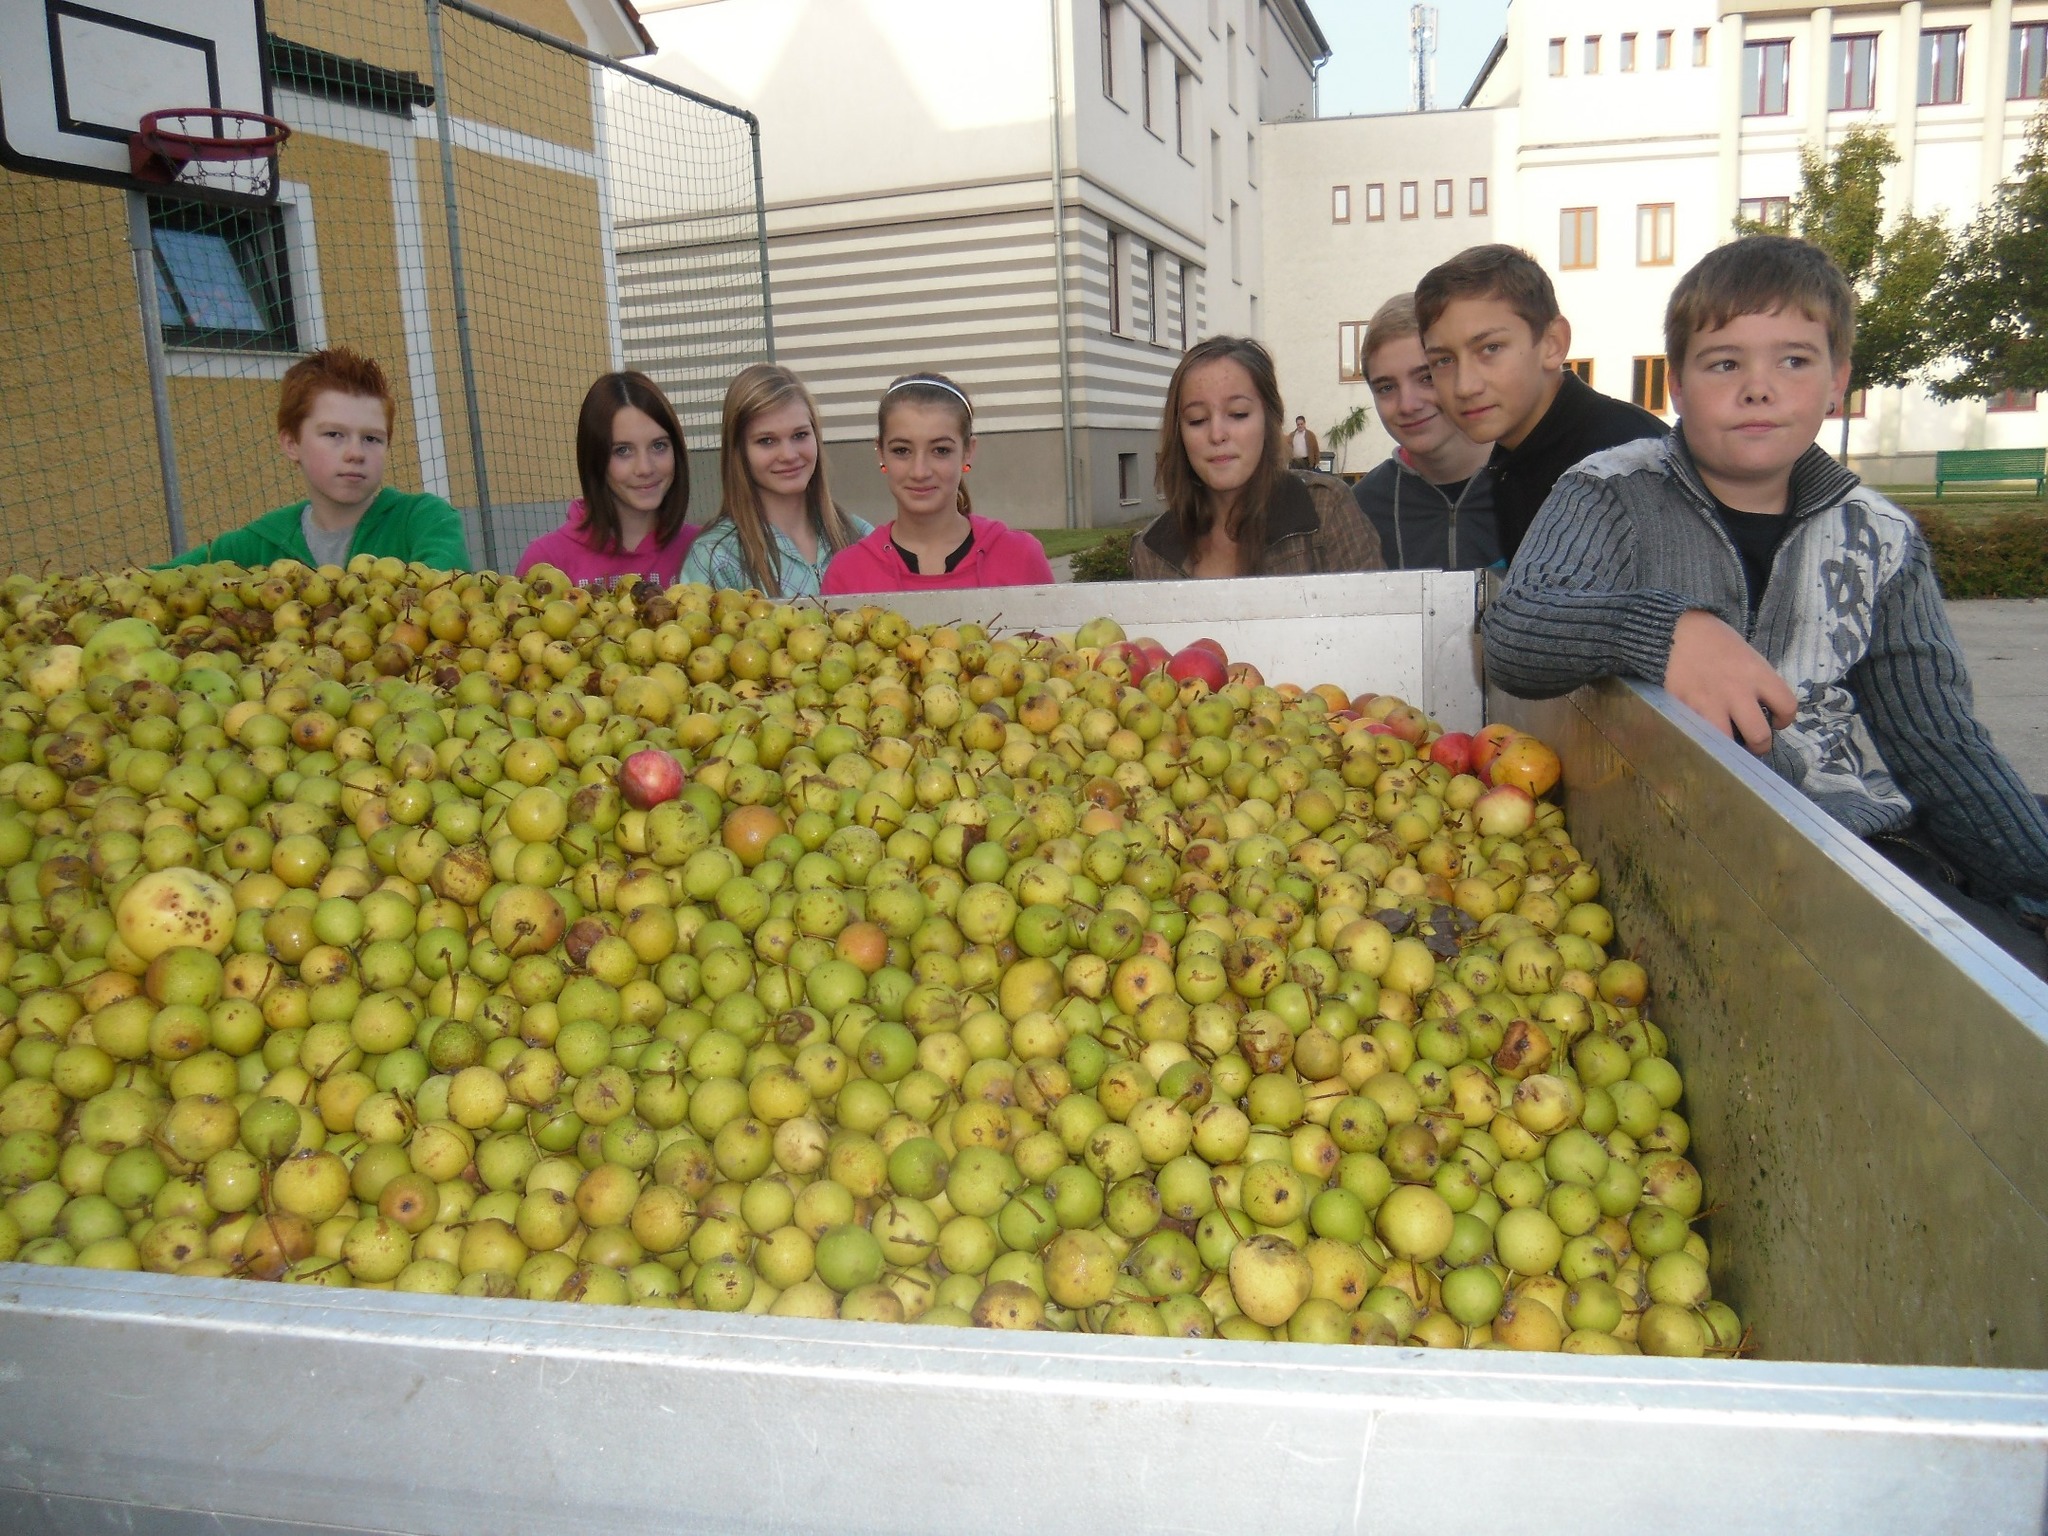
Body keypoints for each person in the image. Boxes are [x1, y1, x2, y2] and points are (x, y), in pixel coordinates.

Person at [1482, 234, 2048, 977]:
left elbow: (1940, 744)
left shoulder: (1879, 537)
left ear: (1838, 379)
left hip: (1850, 844)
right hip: (1666, 856)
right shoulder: (1609, 492)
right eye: (1724, 363)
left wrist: (2032, 879)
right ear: (1676, 385)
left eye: (1794, 361)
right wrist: (1664, 630)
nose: (1758, 388)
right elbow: (1516, 632)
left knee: (2004, 974)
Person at [1417, 244, 1666, 564]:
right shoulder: (1512, 464)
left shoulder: (1632, 461)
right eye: (1443, 360)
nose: (1465, 386)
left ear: (1553, 344)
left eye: (1490, 348)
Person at [161, 347, 468, 570]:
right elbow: (153, 581)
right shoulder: (262, 542)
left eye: (371, 438)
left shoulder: (424, 520)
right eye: (334, 434)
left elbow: (438, 592)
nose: (355, 453)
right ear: (291, 443)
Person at [1132, 336, 1384, 580]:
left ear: (1270, 418)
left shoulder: (1326, 509)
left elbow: (1373, 607)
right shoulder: (1153, 550)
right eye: (1197, 419)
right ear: (1179, 432)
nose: (1217, 435)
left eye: (1238, 414)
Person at [820, 371, 1055, 595]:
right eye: (902, 450)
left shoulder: (1020, 558)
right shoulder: (847, 573)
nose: (920, 471)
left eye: (940, 450)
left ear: (968, 452)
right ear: (881, 452)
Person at [682, 364, 870, 597]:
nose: (788, 455)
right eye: (767, 441)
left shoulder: (861, 537)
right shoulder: (715, 556)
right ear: (739, 451)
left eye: (800, 435)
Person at [1352, 293, 1500, 570]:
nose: (1408, 405)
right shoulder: (1360, 510)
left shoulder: (1540, 486)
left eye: (1427, 378)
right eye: (1386, 387)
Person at [516, 372, 697, 586]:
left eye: (659, 446)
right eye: (623, 450)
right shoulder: (546, 560)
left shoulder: (704, 550)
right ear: (595, 459)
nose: (645, 468)